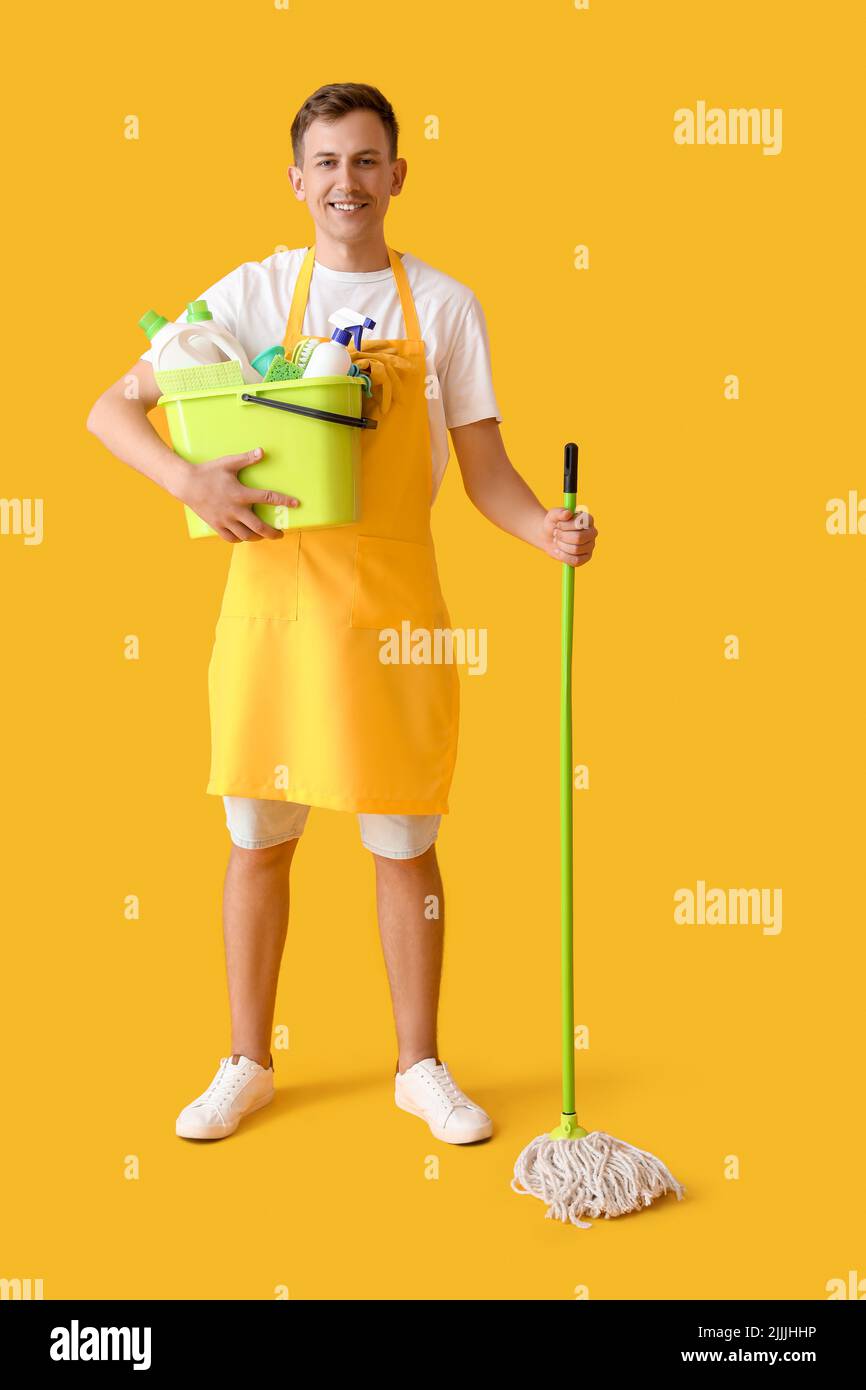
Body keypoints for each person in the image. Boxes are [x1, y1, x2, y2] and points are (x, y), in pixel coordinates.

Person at [86, 82, 598, 1145]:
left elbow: (484, 473)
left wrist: (544, 527)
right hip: (271, 605)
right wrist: (193, 485)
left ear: (397, 175)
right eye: (325, 162)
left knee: (403, 841)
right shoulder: (250, 292)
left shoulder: (446, 304)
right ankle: (245, 1061)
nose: (344, 182)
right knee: (256, 837)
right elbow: (110, 407)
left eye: (365, 160)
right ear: (295, 181)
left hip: (394, 608)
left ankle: (420, 1065)